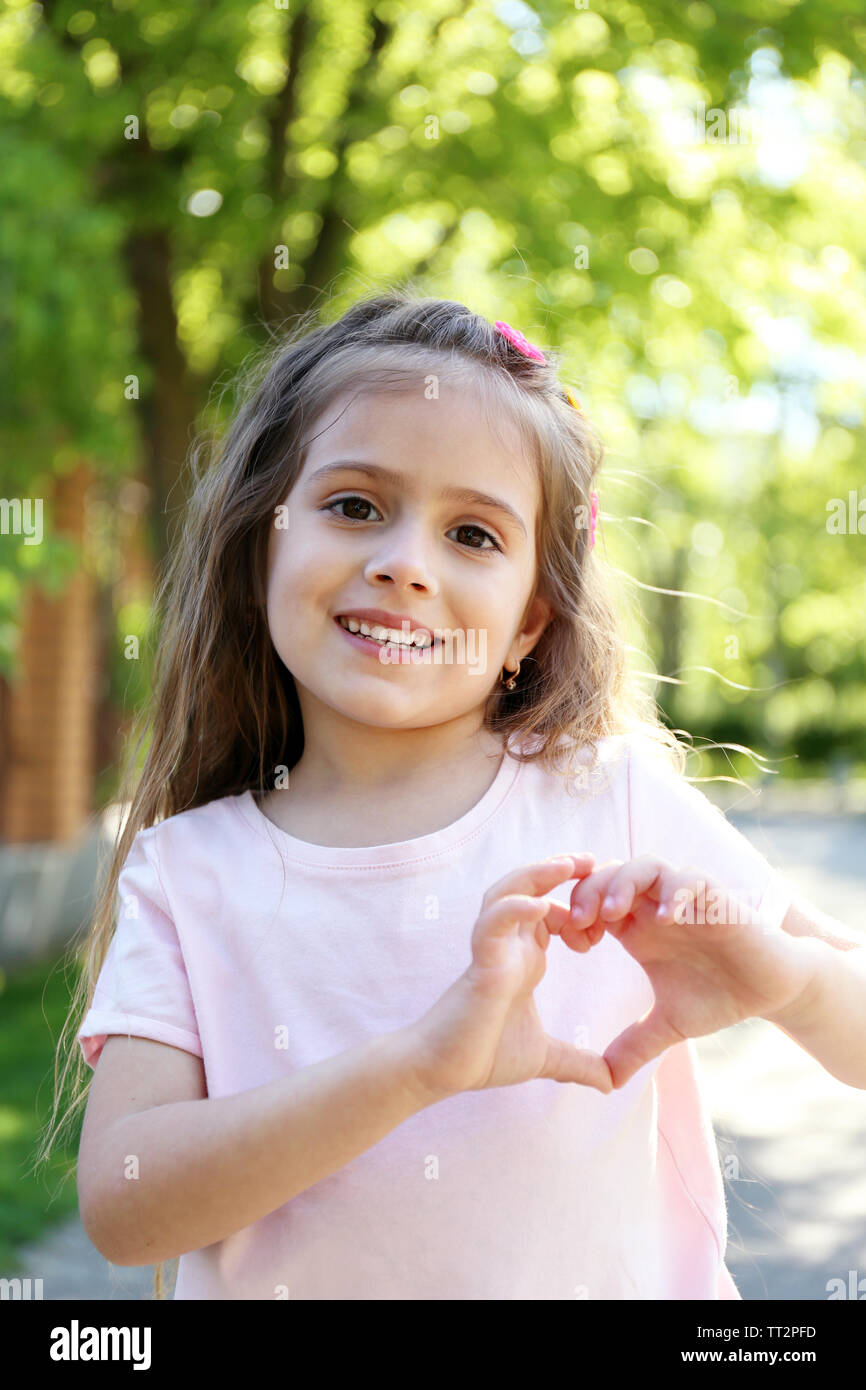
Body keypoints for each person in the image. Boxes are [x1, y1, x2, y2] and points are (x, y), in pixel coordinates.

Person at [39, 290, 866, 1300]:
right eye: (354, 507)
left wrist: (792, 984)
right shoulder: (191, 871)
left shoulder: (610, 802)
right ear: (266, 543)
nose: (402, 566)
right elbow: (126, 1207)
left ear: (528, 622)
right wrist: (418, 1065)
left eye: (472, 534)